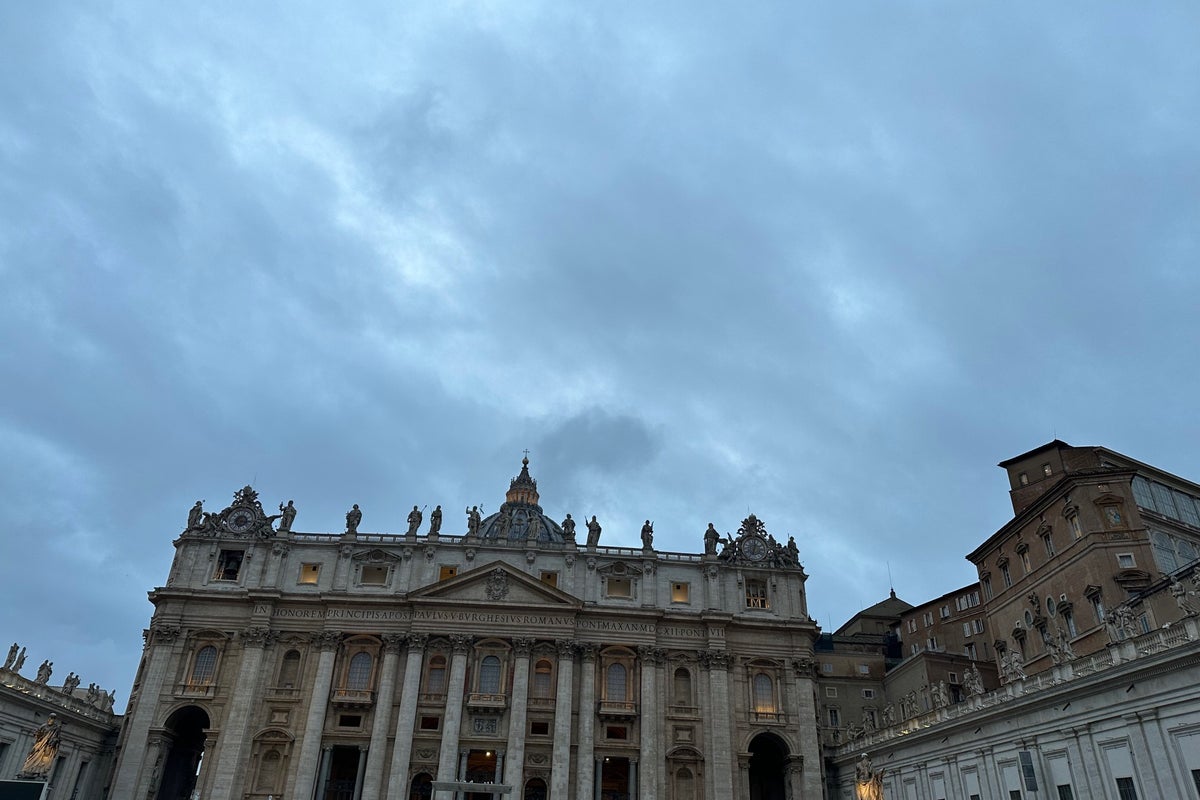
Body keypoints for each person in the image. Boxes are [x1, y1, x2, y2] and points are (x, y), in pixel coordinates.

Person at [18, 713, 61, 779]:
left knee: (44, 759)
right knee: (33, 755)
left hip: (48, 746)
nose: (51, 719)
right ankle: (29, 770)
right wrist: (37, 734)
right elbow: (38, 733)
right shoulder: (43, 726)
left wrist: (54, 740)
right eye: (50, 718)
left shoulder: (56, 728)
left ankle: (40, 772)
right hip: (40, 744)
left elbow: (58, 738)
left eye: (53, 718)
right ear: (48, 718)